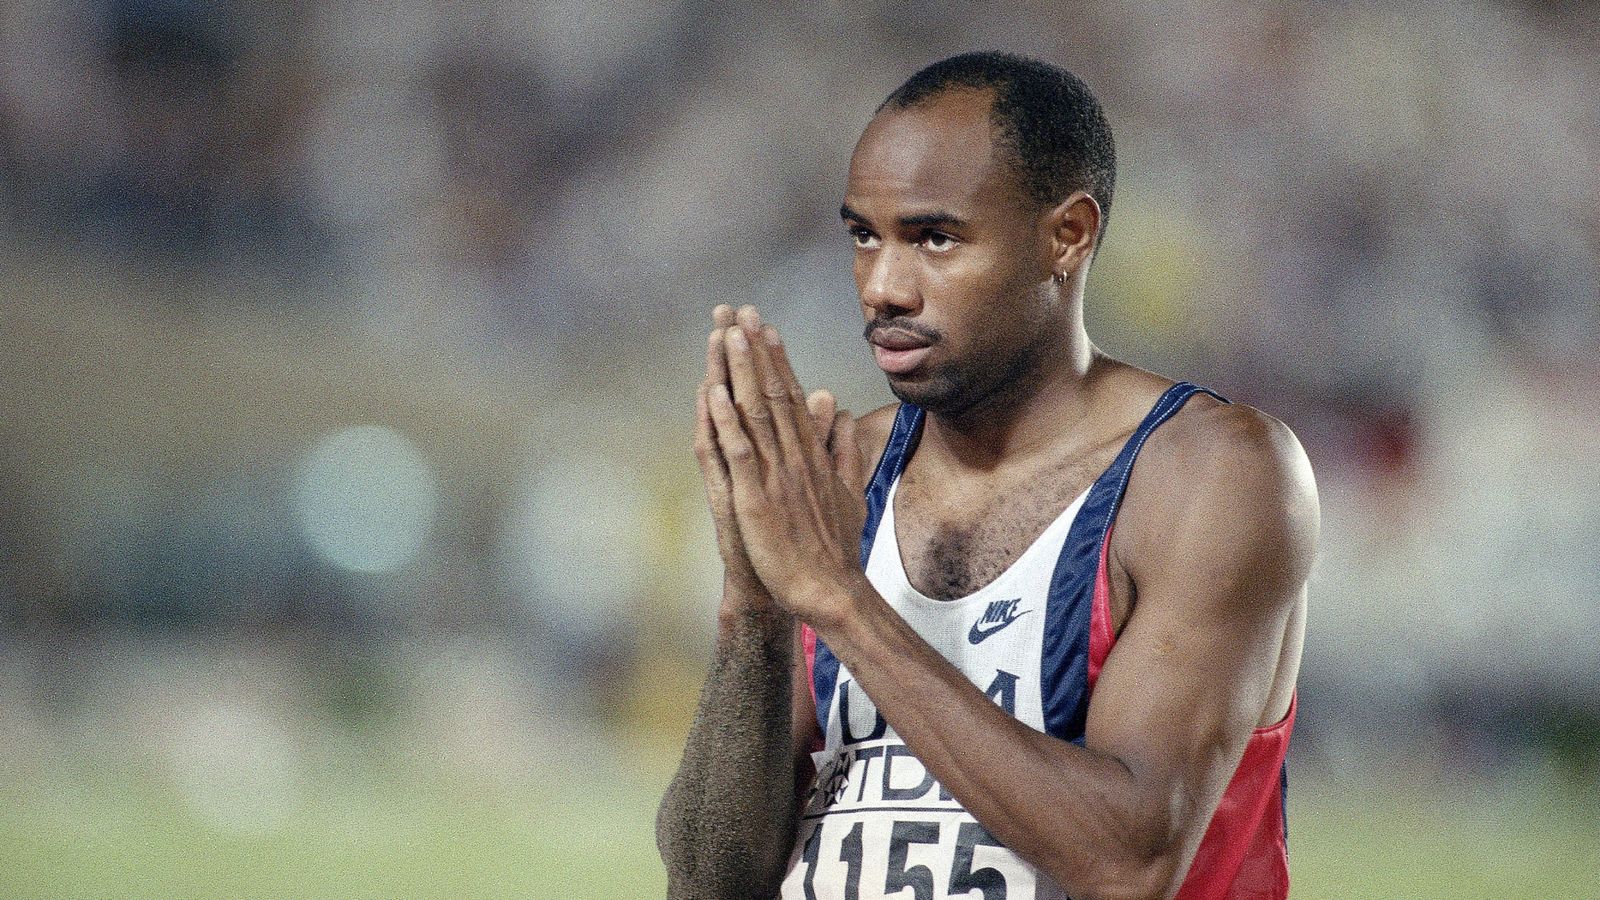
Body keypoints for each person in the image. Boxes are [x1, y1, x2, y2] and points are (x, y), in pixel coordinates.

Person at [656, 52, 1317, 900]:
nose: (884, 287)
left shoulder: (1208, 474)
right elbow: (707, 882)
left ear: (1067, 235)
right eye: (864, 236)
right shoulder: (841, 475)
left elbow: (1131, 862)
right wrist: (755, 610)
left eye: (935, 238)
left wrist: (840, 600)